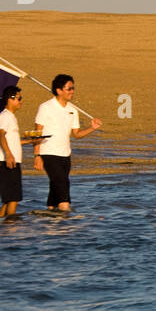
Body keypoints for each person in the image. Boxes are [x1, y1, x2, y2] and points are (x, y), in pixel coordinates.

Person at [32, 73, 102, 211]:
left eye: (73, 88)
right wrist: (37, 156)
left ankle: (50, 217)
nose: (72, 91)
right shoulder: (45, 107)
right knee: (63, 184)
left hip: (65, 155)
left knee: (55, 187)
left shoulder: (73, 110)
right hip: (48, 153)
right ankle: (66, 218)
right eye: (69, 88)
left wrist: (92, 128)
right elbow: (37, 133)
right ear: (59, 90)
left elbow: (76, 134)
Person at [0, 84, 24, 217]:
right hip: (7, 162)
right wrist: (9, 155)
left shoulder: (10, 116)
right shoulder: (5, 116)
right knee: (13, 199)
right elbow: (1, 135)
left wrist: (31, 141)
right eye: (19, 98)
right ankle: (11, 228)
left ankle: (1, 227)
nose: (21, 101)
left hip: (11, 161)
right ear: (10, 99)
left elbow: (12, 140)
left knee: (8, 200)